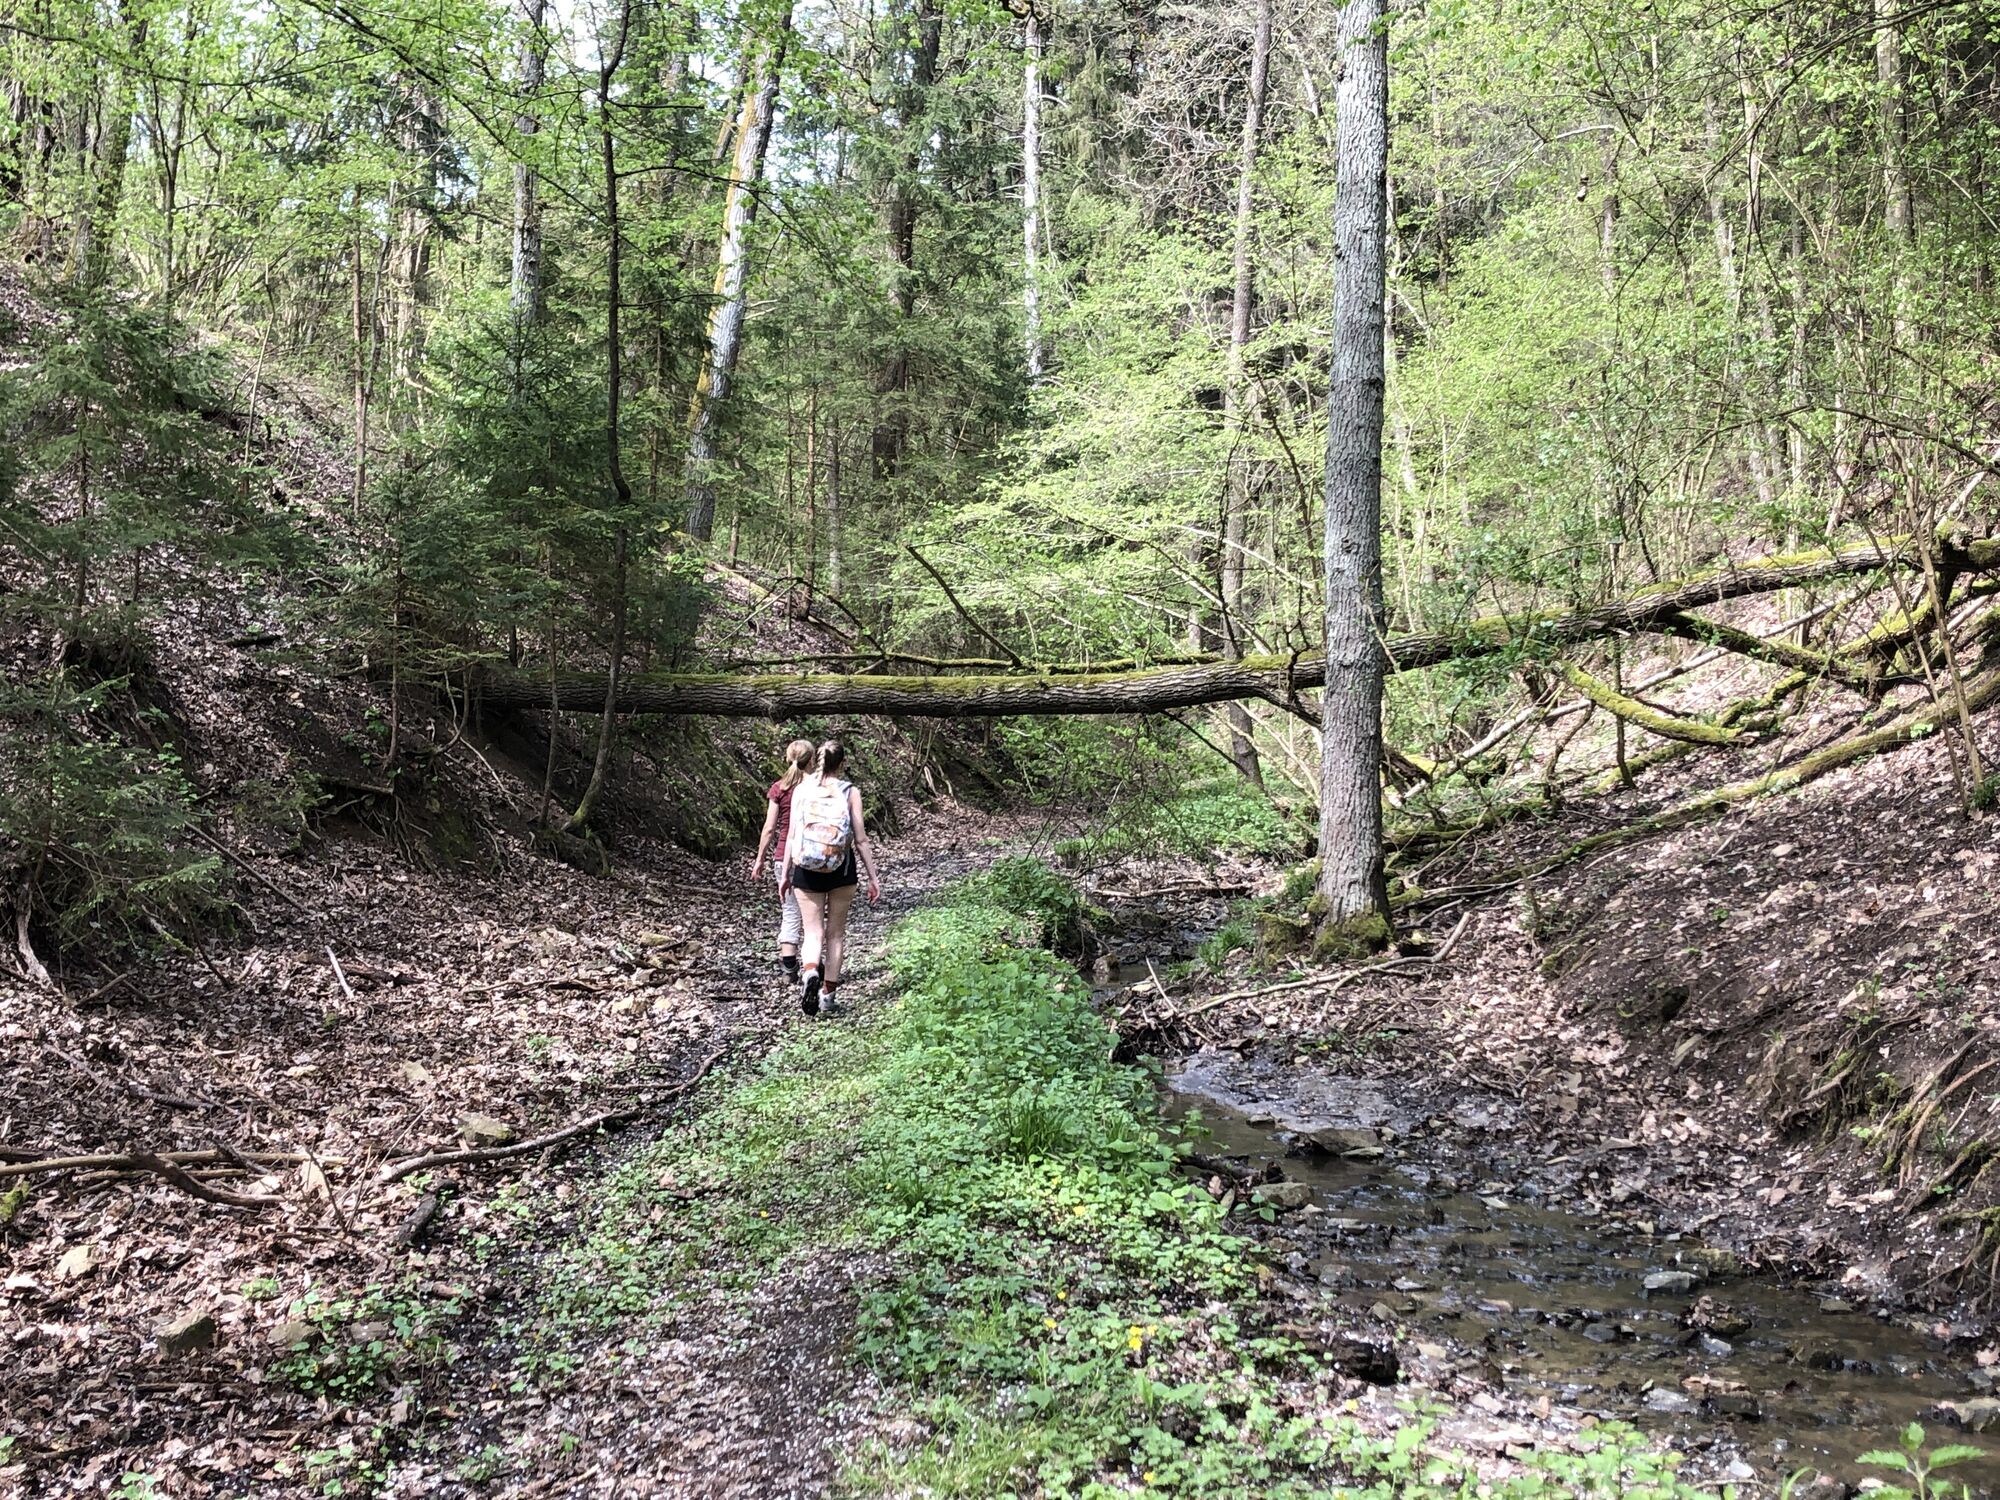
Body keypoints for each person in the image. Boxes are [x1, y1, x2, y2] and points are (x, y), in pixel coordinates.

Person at [779, 740, 881, 1016]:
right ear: (843, 764)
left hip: (806, 869)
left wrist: (785, 874)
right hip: (842, 870)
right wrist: (873, 878)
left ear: (818, 759)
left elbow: (791, 835)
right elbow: (860, 839)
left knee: (813, 932)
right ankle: (828, 996)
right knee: (835, 935)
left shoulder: (801, 790)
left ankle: (810, 972)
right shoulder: (850, 792)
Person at [751, 739, 816, 983]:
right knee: (814, 914)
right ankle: (813, 967)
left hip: (782, 857)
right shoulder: (818, 787)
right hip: (812, 856)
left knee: (790, 912)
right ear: (812, 760)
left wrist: (760, 859)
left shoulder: (778, 789)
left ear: (788, 758)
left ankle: (789, 969)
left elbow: (769, 829)